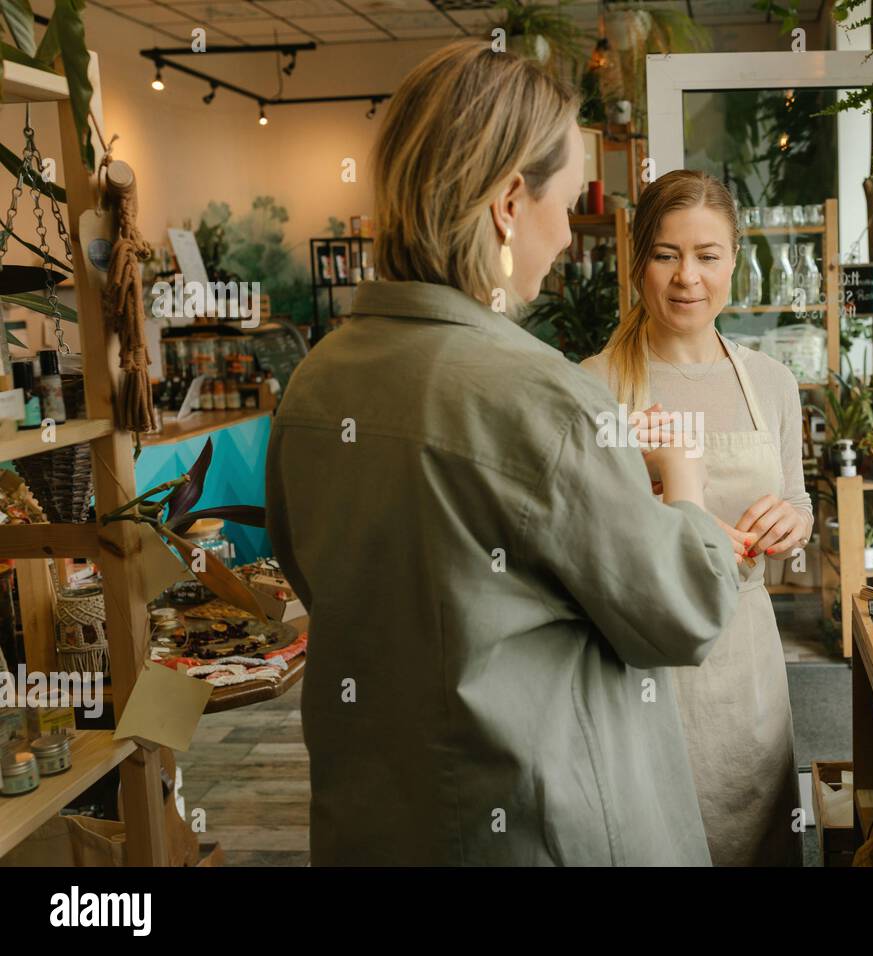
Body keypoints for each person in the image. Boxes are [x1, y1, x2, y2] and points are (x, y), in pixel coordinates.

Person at [265, 41, 740, 866]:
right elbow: (686, 608)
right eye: (569, 197)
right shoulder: (542, 397)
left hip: (376, 822)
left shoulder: (314, 385)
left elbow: (317, 575)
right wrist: (685, 486)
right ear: (509, 203)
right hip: (536, 829)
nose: (568, 232)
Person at [581, 170, 813, 866]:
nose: (688, 278)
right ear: (637, 261)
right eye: (665, 254)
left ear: (734, 260)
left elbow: (797, 497)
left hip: (745, 664)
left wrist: (794, 520)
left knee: (758, 839)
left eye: (708, 255)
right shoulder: (591, 385)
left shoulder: (771, 383)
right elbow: (581, 552)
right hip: (636, 668)